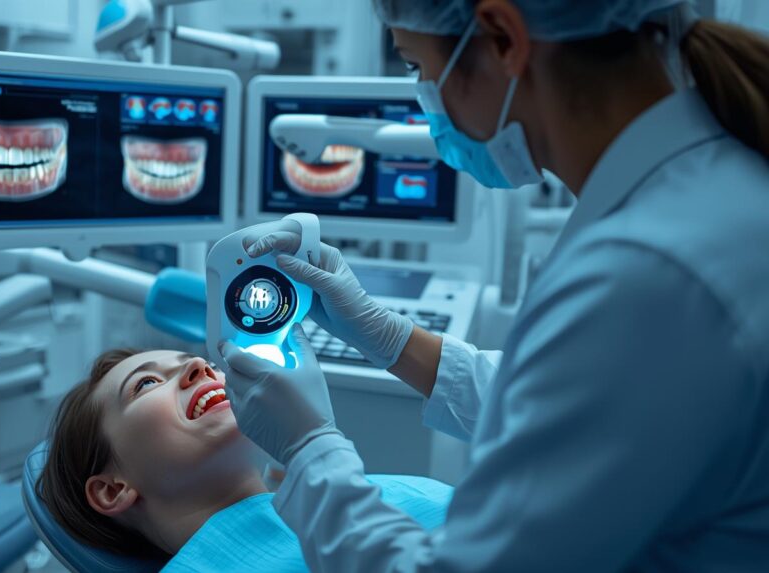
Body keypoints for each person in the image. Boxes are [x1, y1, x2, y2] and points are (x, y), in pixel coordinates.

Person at [215, 1, 769, 571]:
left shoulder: (647, 273)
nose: (424, 93)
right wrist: (391, 338)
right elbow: (582, 401)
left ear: (504, 37)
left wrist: (310, 454)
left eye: (414, 66)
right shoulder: (708, 188)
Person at [35, 348, 452, 571]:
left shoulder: (365, 492)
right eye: (146, 383)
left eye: (197, 361)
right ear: (113, 489)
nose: (202, 365)